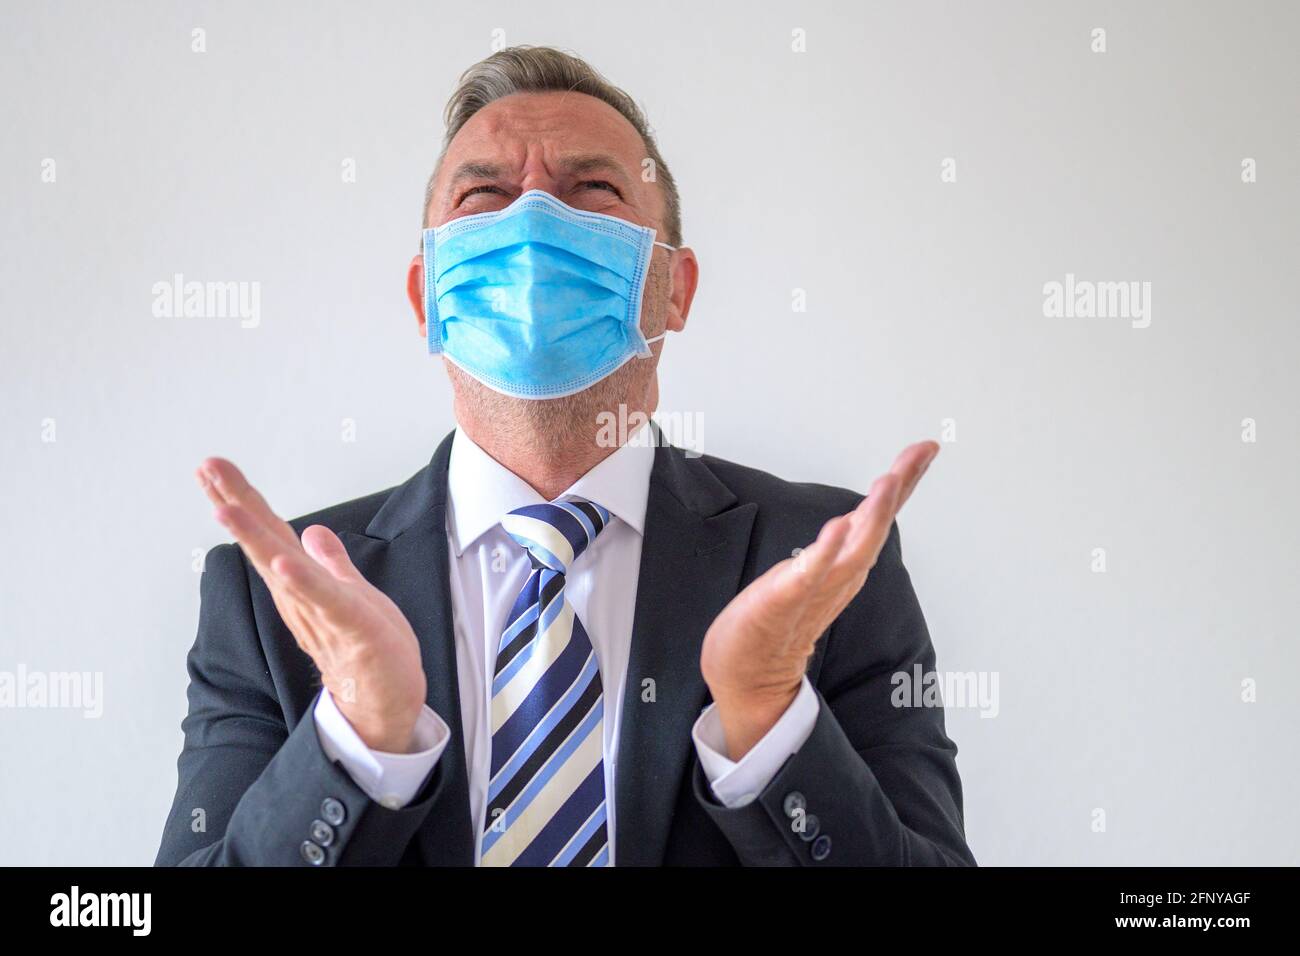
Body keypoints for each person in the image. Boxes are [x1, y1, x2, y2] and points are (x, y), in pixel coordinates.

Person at [156, 45, 974, 867]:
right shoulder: (275, 598)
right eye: (486, 194)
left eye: (593, 189)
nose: (533, 220)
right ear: (425, 295)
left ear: (676, 288)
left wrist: (767, 719)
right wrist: (360, 737)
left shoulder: (820, 561)